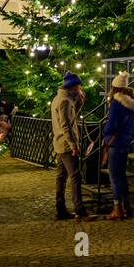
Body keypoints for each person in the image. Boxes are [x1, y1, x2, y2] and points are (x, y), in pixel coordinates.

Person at [101, 72, 134, 220]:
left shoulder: (117, 104)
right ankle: (126, 207)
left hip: (115, 143)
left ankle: (117, 208)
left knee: (114, 176)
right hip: (125, 142)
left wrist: (106, 134)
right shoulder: (131, 104)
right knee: (122, 176)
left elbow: (111, 125)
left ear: (116, 88)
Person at [51, 72, 88, 220]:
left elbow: (71, 116)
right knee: (75, 176)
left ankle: (60, 208)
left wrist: (80, 101)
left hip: (59, 142)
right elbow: (66, 125)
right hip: (66, 144)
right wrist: (73, 145)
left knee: (61, 176)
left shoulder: (59, 98)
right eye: (79, 85)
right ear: (73, 86)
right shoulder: (65, 101)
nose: (80, 87)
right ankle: (79, 207)